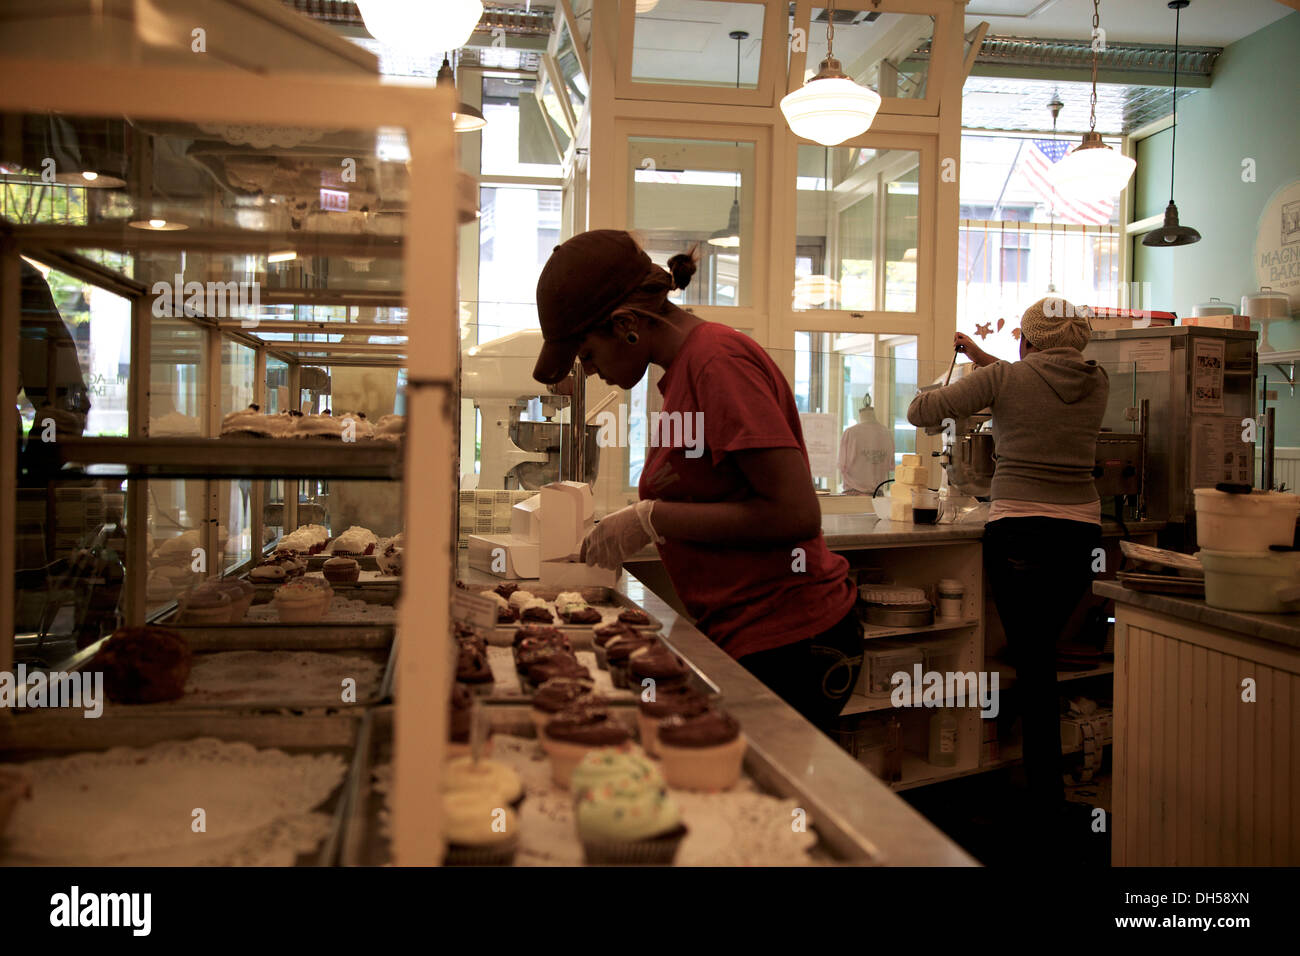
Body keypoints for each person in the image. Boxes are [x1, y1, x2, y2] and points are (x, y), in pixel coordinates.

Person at [531, 230, 861, 731]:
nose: (591, 372)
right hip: (747, 633)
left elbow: (795, 514)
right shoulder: (683, 371)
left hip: (793, 638)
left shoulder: (717, 362)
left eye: (589, 356)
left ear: (626, 325)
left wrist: (652, 518)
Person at [906, 298, 1108, 849]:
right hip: (1082, 533)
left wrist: (936, 386)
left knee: (1033, 660)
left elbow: (921, 413)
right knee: (1037, 654)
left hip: (1020, 529)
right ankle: (1036, 785)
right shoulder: (1097, 380)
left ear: (1027, 340)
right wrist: (983, 354)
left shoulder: (1005, 377)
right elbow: (1034, 380)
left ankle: (1039, 802)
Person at [838, 393, 894, 495]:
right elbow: (890, 466)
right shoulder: (887, 433)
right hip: (877, 496)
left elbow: (842, 466)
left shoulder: (850, 433)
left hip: (853, 498)